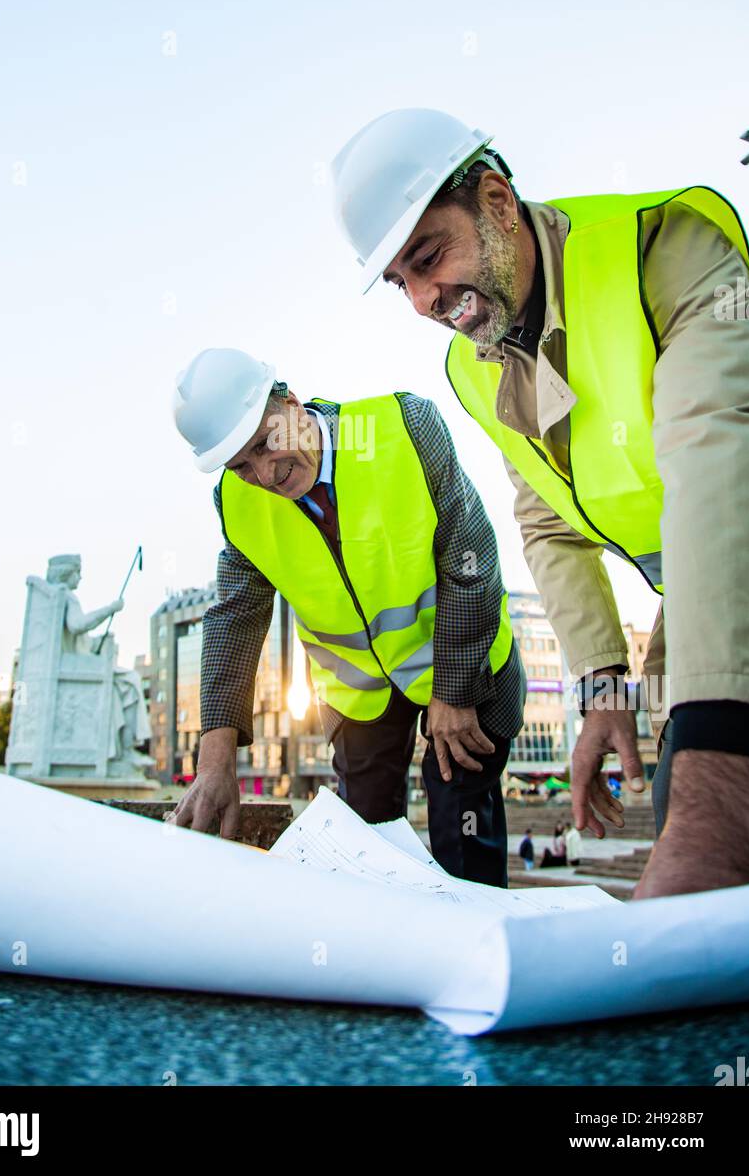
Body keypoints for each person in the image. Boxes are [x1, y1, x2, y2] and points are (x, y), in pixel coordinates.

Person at [331, 107, 749, 900]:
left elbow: (718, 460)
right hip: (691, 574)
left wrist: (724, 772)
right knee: (676, 798)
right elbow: (548, 521)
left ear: (495, 201)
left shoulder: (663, 252)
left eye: (428, 258)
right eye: (400, 283)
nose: (423, 301)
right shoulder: (477, 370)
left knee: (715, 794)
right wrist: (601, 688)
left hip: (741, 528)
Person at [170, 347, 526, 886]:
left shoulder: (404, 429)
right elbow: (235, 617)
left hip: (460, 666)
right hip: (359, 697)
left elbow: (469, 560)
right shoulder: (237, 504)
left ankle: (484, 951)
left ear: (290, 403)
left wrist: (453, 693)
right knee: (365, 845)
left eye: (268, 443)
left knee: (461, 817)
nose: (266, 474)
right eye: (241, 465)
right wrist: (215, 759)